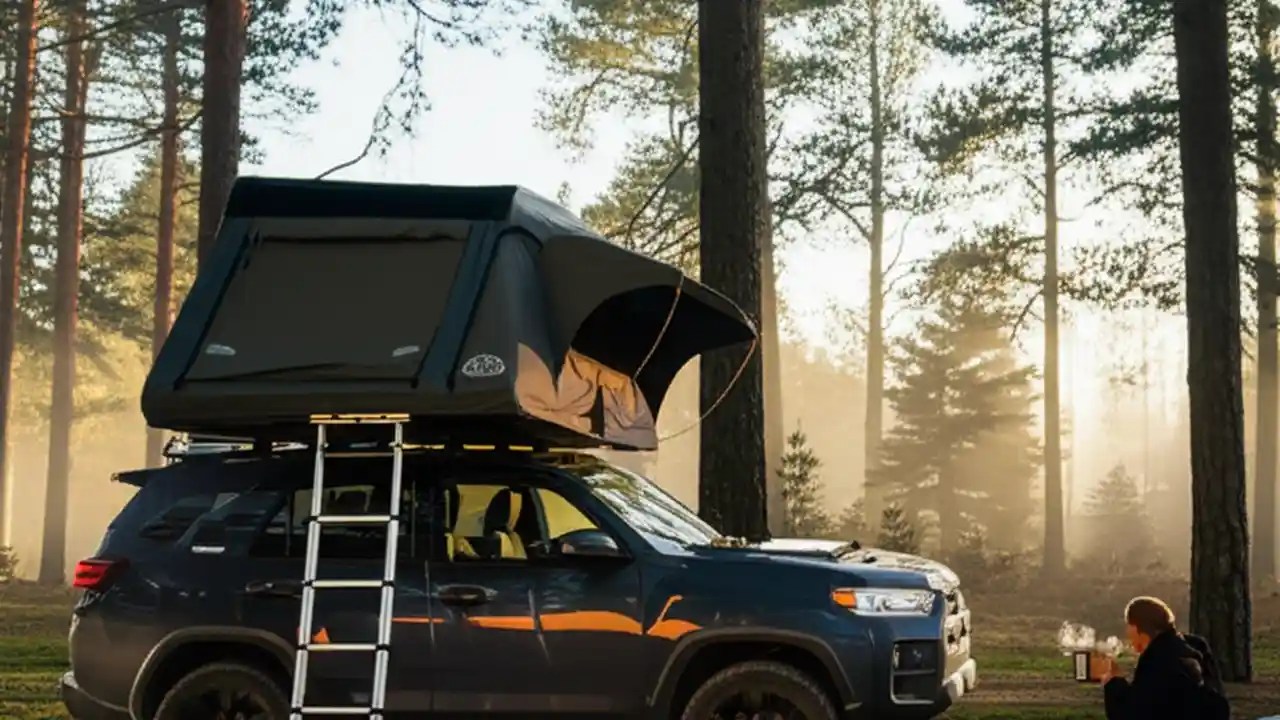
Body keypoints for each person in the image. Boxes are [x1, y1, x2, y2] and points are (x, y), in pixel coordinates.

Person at [1097, 596, 1230, 720]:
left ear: (1136, 627)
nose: (1127, 634)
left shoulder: (1156, 660)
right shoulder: (1192, 648)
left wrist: (1113, 682)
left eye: (1129, 626)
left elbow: (1133, 714)